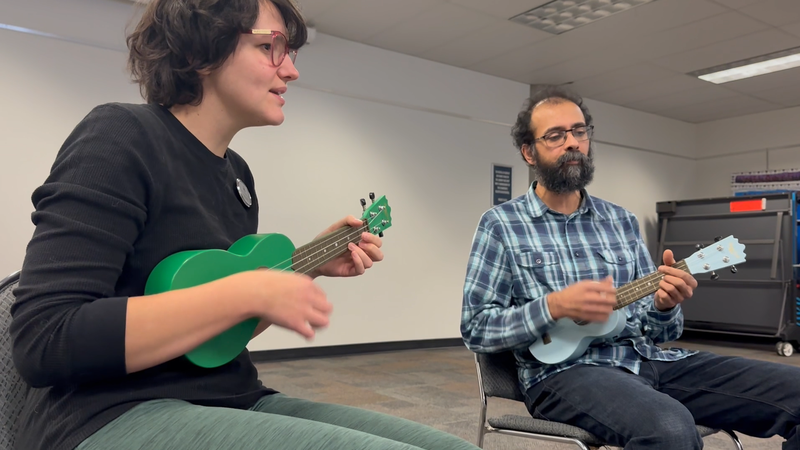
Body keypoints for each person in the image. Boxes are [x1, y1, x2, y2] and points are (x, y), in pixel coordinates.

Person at [9, 1, 481, 450]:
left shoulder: (238, 176)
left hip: (232, 395)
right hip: (107, 414)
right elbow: (44, 340)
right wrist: (246, 292)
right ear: (199, 50)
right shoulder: (121, 136)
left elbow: (217, 337)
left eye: (290, 53)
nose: (291, 70)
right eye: (269, 46)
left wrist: (303, 265)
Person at [461, 85, 800, 449]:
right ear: (529, 152)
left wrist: (664, 305)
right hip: (564, 375)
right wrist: (552, 307)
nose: (572, 142)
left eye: (579, 131)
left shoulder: (620, 220)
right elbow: (476, 327)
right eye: (556, 135)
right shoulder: (501, 225)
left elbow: (659, 330)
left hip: (649, 359)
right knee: (669, 430)